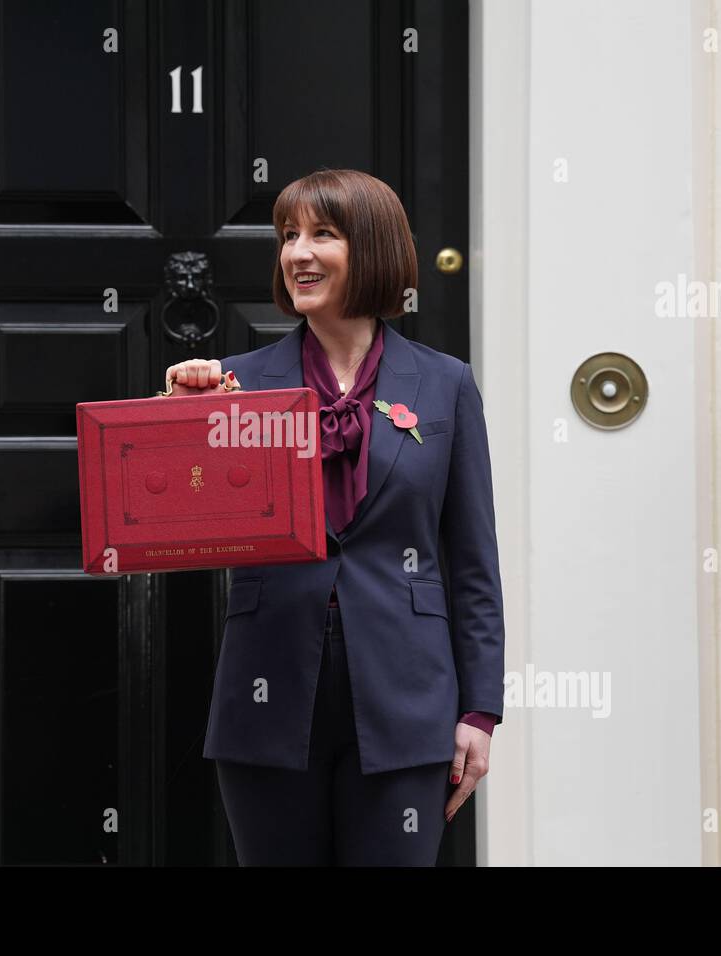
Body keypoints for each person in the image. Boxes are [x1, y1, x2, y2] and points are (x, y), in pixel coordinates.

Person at [161, 169, 505, 866]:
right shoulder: (235, 382)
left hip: (408, 702)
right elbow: (173, 520)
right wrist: (178, 414)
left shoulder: (446, 385)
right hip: (268, 700)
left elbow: (472, 562)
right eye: (289, 236)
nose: (297, 253)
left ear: (373, 248)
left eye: (322, 234)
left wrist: (479, 711)